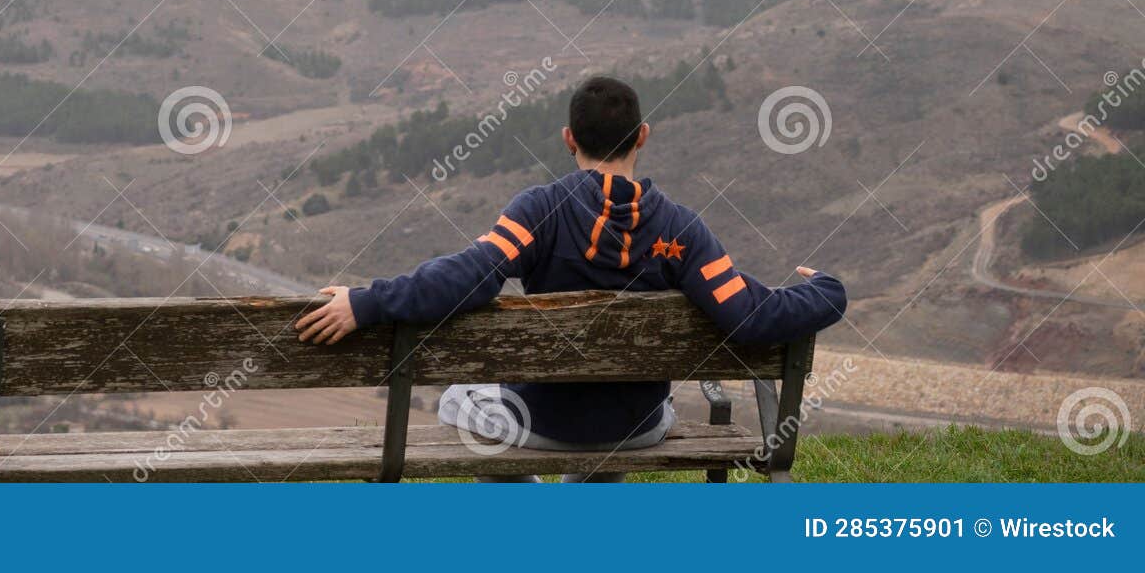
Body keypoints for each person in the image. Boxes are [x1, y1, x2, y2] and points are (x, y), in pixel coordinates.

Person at [294, 74, 847, 480]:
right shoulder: (683, 230)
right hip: (637, 427)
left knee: (456, 403)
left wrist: (365, 303)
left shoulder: (539, 212)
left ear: (568, 139)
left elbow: (469, 275)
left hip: (538, 420)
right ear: (643, 136)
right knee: (622, 411)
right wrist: (827, 291)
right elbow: (747, 314)